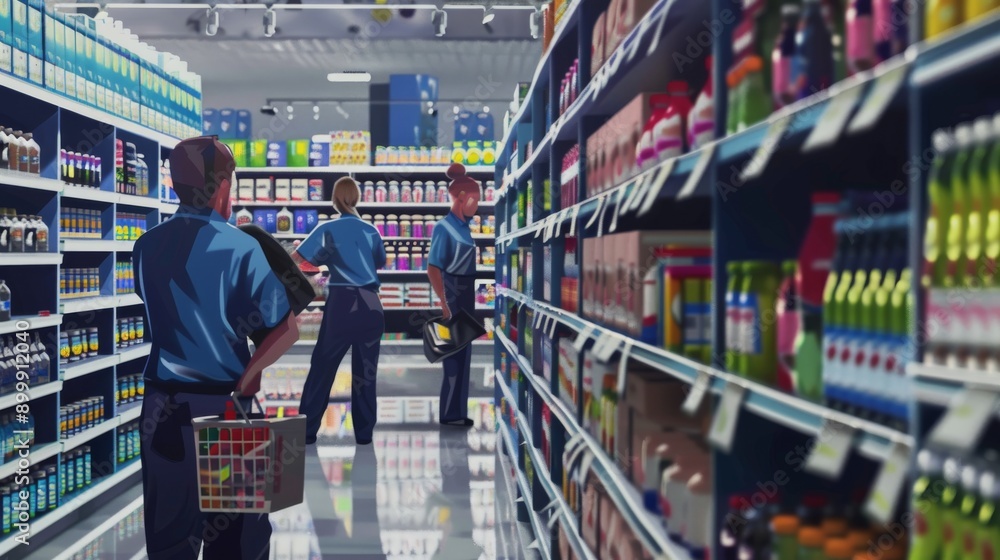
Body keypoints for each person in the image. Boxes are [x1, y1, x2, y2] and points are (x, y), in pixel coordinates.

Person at [133, 136, 300, 560]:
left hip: (163, 409)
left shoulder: (146, 246)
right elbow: (285, 329)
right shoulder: (242, 246)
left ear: (174, 185)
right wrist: (251, 374)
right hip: (228, 408)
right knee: (237, 539)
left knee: (170, 538)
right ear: (223, 186)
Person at [295, 176, 387, 445]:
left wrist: (321, 267)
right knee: (365, 372)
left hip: (342, 303)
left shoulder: (327, 229)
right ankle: (364, 435)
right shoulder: (371, 231)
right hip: (371, 303)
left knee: (322, 366)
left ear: (335, 200)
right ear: (356, 198)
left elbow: (299, 259)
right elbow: (378, 261)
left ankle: (307, 431)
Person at [427, 163, 481, 427]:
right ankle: (449, 413)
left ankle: (458, 411)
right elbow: (433, 268)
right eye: (475, 199)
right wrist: (444, 302)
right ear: (460, 197)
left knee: (464, 355)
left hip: (467, 294)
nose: (477, 205)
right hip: (453, 293)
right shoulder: (444, 228)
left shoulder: (465, 227)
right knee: (452, 357)